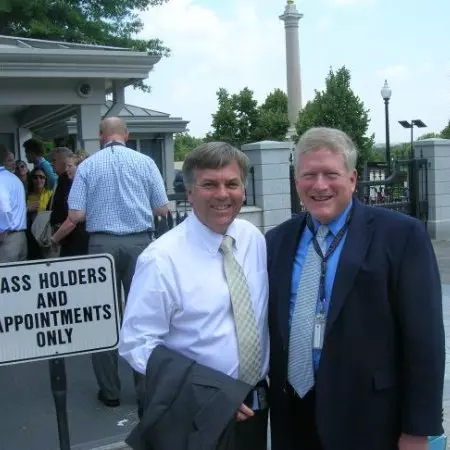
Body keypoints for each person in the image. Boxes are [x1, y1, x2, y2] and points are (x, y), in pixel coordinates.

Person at [266, 127, 445, 450]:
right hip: (292, 413)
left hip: (371, 417)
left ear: (352, 179)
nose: (319, 185)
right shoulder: (276, 241)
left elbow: (425, 338)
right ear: (296, 183)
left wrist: (419, 428)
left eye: (330, 174)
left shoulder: (402, 236)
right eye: (309, 175)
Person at [119, 142, 269, 449]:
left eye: (232, 184)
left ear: (243, 189)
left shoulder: (253, 239)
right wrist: (207, 391)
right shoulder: (162, 260)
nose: (222, 194)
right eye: (209, 184)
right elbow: (137, 343)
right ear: (190, 192)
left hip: (256, 406)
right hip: (197, 411)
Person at [67, 117, 170, 409]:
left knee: (101, 319)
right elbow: (161, 208)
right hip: (140, 244)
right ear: (127, 134)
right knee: (143, 316)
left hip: (100, 246)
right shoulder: (145, 162)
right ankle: (145, 390)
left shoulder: (87, 166)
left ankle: (110, 391)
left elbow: (76, 215)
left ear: (101, 136)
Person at [50, 151, 89, 256]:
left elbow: (73, 220)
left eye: (70, 166)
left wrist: (54, 239)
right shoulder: (73, 185)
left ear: (80, 167)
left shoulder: (81, 188)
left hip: (79, 239)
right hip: (74, 237)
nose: (66, 169)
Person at [0, 144, 27, 262]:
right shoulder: (13, 178)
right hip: (19, 237)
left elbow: (4, 208)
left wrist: (1, 231)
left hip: (7, 239)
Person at [26, 167, 52, 260]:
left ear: (46, 179)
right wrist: (27, 209)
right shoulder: (26, 196)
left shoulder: (51, 194)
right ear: (31, 179)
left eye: (42, 177)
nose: (38, 180)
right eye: (35, 177)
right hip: (31, 236)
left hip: (47, 235)